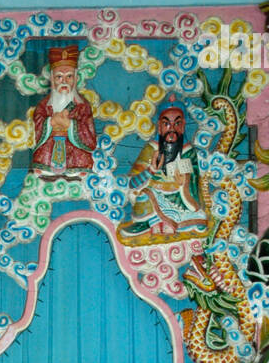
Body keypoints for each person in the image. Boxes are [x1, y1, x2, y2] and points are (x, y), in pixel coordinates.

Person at [117, 104, 208, 246]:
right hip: (153, 197)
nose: (172, 129)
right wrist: (151, 170)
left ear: (183, 126)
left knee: (200, 216)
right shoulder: (151, 149)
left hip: (180, 201)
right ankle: (152, 222)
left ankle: (163, 222)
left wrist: (184, 183)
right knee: (143, 195)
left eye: (177, 124)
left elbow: (194, 189)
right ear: (159, 127)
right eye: (166, 124)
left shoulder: (188, 151)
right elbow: (132, 184)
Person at [31, 44, 97, 181]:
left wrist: (70, 125)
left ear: (76, 78)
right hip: (49, 147)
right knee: (43, 156)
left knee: (80, 158)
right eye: (59, 77)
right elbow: (36, 127)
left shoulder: (82, 105)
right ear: (52, 79)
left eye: (69, 77)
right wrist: (50, 122)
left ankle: (76, 169)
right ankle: (46, 168)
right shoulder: (44, 105)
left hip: (73, 150)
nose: (64, 82)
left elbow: (89, 134)